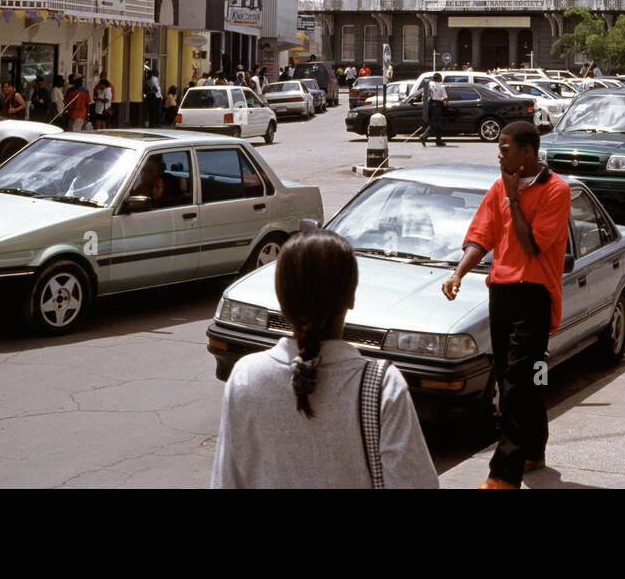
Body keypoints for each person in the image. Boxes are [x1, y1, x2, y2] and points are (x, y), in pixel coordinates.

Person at [212, 230, 438, 489]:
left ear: (283, 302)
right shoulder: (382, 385)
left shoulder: (247, 377)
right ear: (351, 298)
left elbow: (226, 482)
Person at [442, 121, 570, 488]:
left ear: (526, 152)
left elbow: (531, 246)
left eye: (504, 148)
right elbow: (481, 235)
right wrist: (458, 274)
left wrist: (515, 198)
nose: (499, 154)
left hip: (534, 294)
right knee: (515, 378)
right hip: (501, 292)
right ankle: (533, 450)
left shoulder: (556, 191)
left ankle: (504, 474)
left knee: (516, 382)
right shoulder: (499, 187)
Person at [421, 72, 447, 147]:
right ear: (439, 78)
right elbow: (445, 98)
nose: (441, 78)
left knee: (438, 123)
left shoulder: (431, 84)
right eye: (441, 77)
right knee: (435, 122)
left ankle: (438, 140)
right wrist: (445, 101)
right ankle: (424, 136)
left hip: (431, 104)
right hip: (437, 105)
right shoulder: (441, 87)